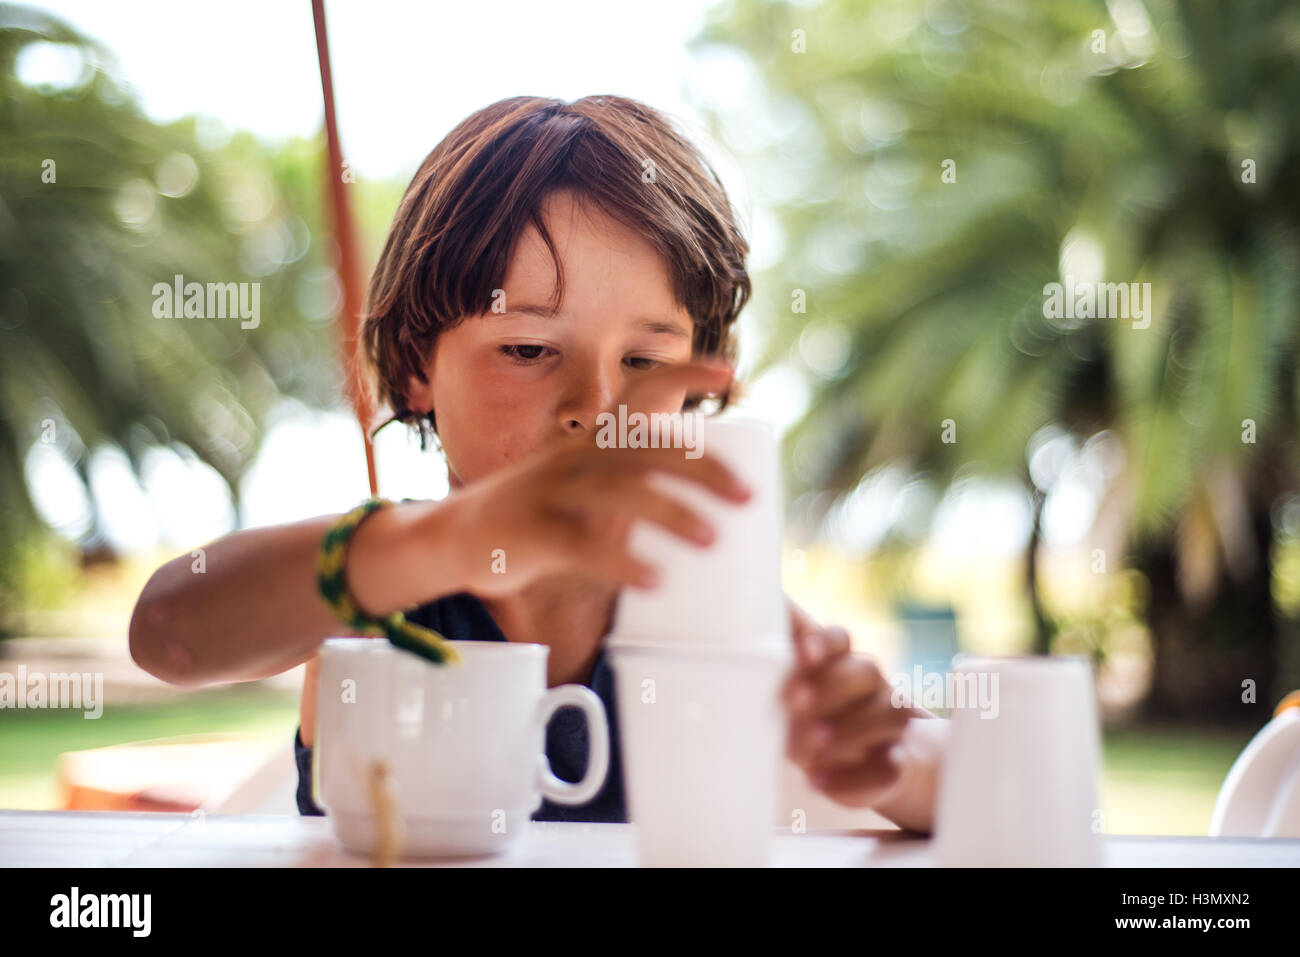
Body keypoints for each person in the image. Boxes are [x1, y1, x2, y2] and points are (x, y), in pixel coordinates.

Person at [129, 94, 946, 833]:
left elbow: (953, 776)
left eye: (646, 361)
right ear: (416, 368)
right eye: (526, 347)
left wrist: (890, 760)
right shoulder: (380, 587)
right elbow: (168, 631)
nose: (593, 405)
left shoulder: (709, 603)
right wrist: (446, 539)